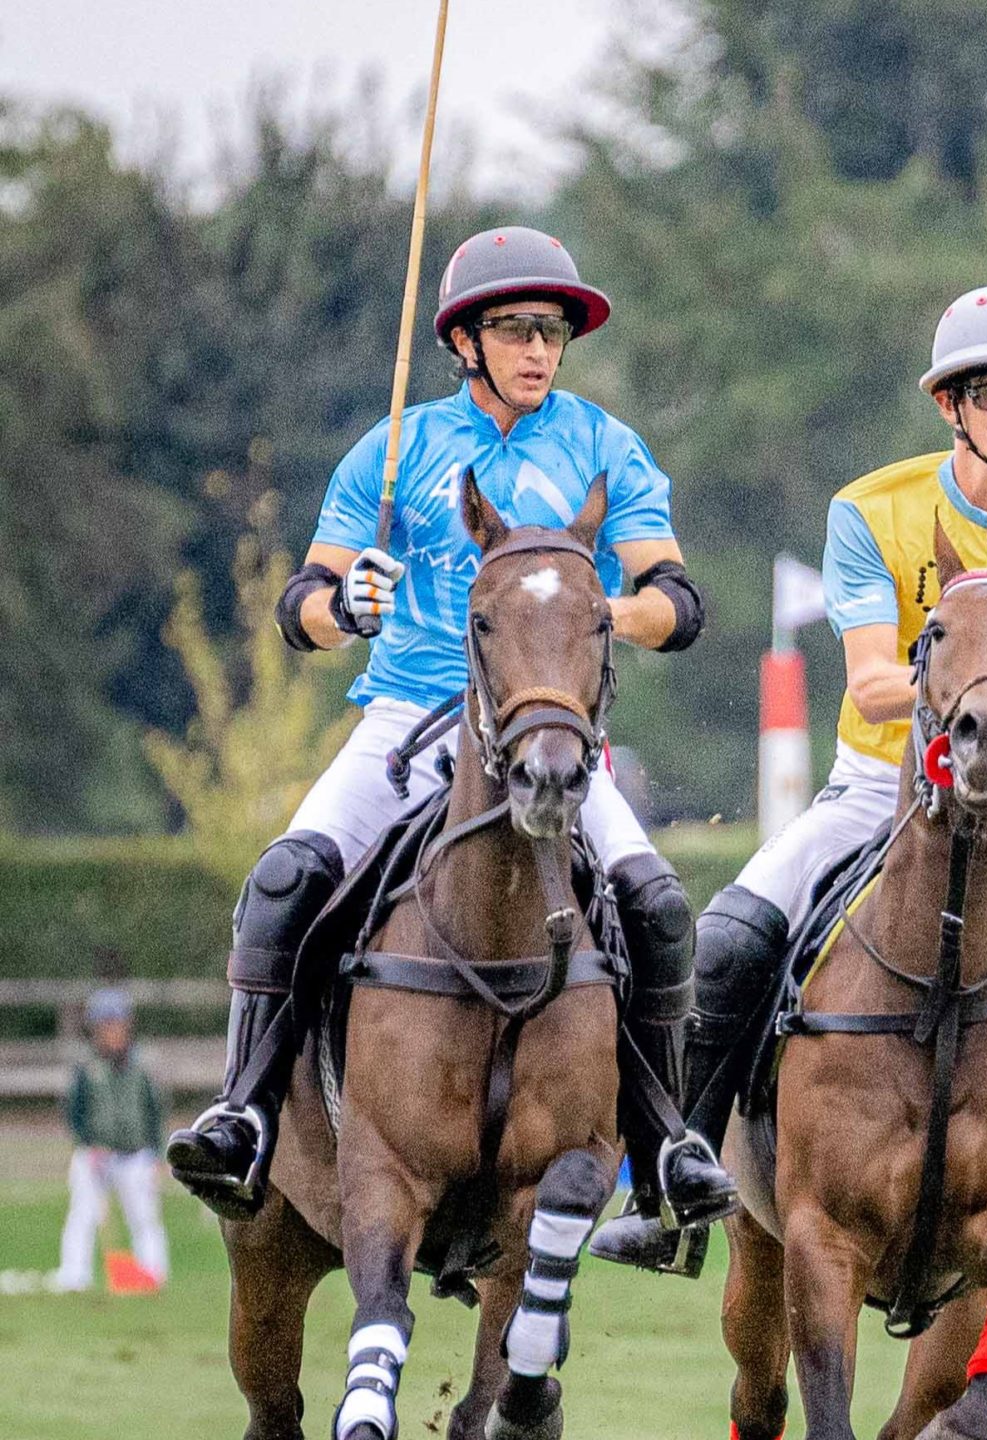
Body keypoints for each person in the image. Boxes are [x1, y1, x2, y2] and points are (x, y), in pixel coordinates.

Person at [588, 285, 987, 1278]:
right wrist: (970, 693)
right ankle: (674, 1181)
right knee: (732, 941)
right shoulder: (869, 509)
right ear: (950, 405)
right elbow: (875, 679)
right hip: (884, 787)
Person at [164, 226, 737, 1234]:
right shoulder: (396, 448)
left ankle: (663, 1143)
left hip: (543, 728)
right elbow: (300, 600)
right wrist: (350, 608)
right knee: (282, 881)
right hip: (407, 718)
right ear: (464, 340)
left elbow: (677, 601)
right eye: (516, 330)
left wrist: (602, 612)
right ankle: (244, 1113)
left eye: (553, 333)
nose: (538, 351)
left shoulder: (605, 444)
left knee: (653, 902)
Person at [54, 989, 169, 1293]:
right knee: (83, 1214)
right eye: (105, 1026)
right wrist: (87, 1143)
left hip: (135, 1155)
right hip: (96, 1155)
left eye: (117, 1024)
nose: (112, 1032)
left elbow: (155, 1112)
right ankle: (74, 1275)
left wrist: (157, 1154)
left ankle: (152, 1273)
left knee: (144, 1217)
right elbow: (75, 1112)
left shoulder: (142, 1067)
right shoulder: (86, 1068)